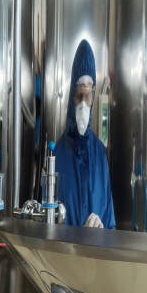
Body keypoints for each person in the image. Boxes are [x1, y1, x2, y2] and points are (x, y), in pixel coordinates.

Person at [55, 39, 116, 229]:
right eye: (78, 96)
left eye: (87, 96)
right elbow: (47, 222)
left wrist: (101, 228)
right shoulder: (57, 153)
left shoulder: (99, 153)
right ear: (71, 97)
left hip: (94, 256)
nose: (83, 103)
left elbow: (110, 220)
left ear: (94, 96)